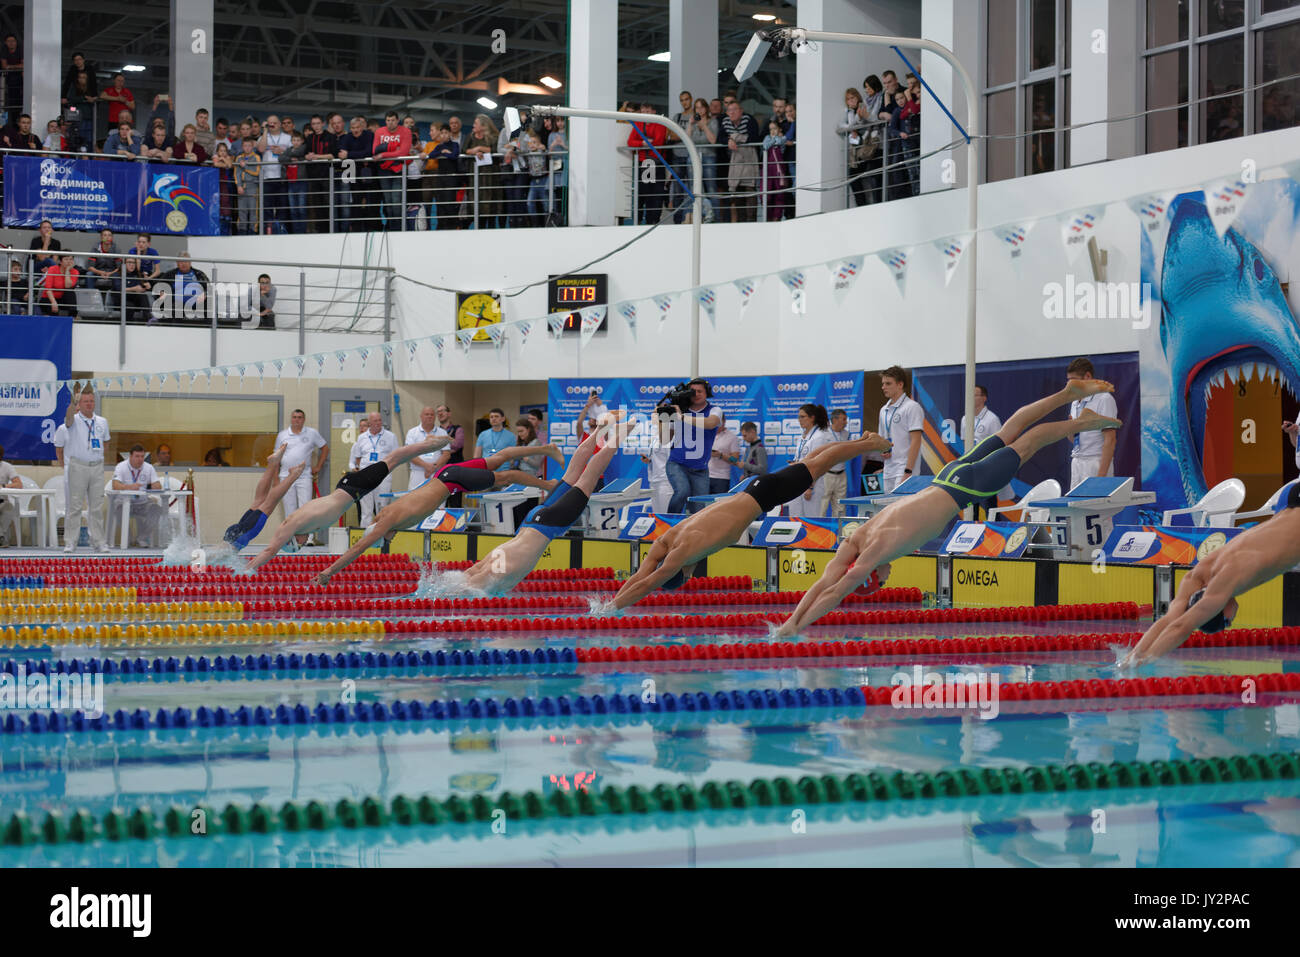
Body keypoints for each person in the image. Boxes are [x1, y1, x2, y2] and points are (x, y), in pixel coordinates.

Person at [772, 379, 1121, 637]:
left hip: (962, 487)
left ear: (871, 576)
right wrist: (792, 619)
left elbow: (835, 590)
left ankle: (1080, 421)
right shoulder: (857, 538)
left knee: (1028, 442)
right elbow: (824, 580)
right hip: (948, 474)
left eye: (880, 581)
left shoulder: (874, 553)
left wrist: (793, 630)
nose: (887, 578)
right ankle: (1067, 394)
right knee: (1012, 428)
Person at [612, 430, 895, 610]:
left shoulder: (685, 554)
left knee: (817, 464)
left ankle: (869, 443)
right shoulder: (667, 541)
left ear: (683, 572)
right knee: (810, 461)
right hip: (754, 491)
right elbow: (641, 575)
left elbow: (647, 583)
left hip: (764, 496)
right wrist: (612, 602)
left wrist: (612, 610)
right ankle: (861, 441)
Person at [312, 442, 563, 585]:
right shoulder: (389, 518)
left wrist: (327, 573)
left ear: (381, 532)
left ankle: (548, 485)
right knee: (498, 459)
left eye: (384, 539)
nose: (388, 540)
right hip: (445, 476)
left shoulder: (387, 522)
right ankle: (547, 448)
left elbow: (357, 549)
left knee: (505, 475)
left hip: (451, 482)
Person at [452, 418, 638, 594]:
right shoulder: (492, 562)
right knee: (572, 473)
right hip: (531, 522)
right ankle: (601, 428)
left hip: (547, 526)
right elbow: (468, 576)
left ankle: (621, 433)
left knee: (588, 477)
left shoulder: (491, 570)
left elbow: (469, 584)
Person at [1123, 481, 1300, 665]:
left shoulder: (1229, 580)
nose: (1231, 621)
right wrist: (1133, 656)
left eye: (1227, 623)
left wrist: (1143, 662)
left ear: (1219, 609)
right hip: (1289, 499)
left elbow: (1180, 627)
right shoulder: (1199, 574)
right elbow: (1169, 618)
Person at [246, 432, 455, 570]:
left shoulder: (293, 524)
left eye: (298, 546)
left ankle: (432, 442)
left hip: (352, 488)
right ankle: (429, 443)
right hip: (349, 488)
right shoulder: (302, 524)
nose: (303, 545)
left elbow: (269, 550)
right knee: (395, 459)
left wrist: (247, 571)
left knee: (396, 457)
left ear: (293, 540)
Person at [56, 385, 109, 552]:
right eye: (85, 401)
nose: (89, 404)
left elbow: (105, 442)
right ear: (80, 403)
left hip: (96, 467)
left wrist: (97, 456)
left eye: (92, 401)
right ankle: (70, 541)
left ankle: (99, 542)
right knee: (75, 506)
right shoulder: (72, 421)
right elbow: (68, 416)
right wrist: (74, 401)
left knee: (96, 507)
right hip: (78, 466)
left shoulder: (102, 422)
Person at [222, 445, 305, 550]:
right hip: (234, 534)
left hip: (240, 536)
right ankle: (272, 464)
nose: (305, 542)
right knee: (259, 501)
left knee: (268, 503)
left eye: (303, 544)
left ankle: (293, 474)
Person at [666, 379, 722, 514]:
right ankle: (668, 524)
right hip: (677, 463)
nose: (696, 394)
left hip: (700, 469)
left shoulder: (714, 410)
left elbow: (710, 423)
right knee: (682, 492)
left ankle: (693, 534)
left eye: (700, 391)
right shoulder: (679, 410)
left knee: (699, 510)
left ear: (707, 392)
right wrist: (664, 417)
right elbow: (665, 438)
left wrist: (682, 417)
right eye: (693, 391)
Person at [274, 409, 329, 546]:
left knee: (306, 508)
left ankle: (308, 538)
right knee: (289, 508)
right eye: (294, 417)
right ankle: (290, 537)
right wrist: (275, 479)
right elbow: (276, 457)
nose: (297, 419)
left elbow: (325, 448)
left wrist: (318, 466)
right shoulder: (282, 435)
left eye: (300, 417)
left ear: (303, 419)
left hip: (304, 476)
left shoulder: (312, 433)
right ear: (291, 419)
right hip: (285, 476)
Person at [1066, 357, 1118, 488]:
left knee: (1097, 506)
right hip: (1077, 461)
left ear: (1087, 376)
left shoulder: (1104, 399)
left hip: (1096, 462)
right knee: (1076, 507)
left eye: (1074, 381)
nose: (1070, 385)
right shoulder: (1074, 402)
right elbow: (1076, 439)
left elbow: (1110, 439)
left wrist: (1101, 477)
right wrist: (1069, 429)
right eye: (1069, 381)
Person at [349, 412, 399, 527]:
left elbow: (396, 457)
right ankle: (365, 538)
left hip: (383, 477)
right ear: (369, 423)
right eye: (375, 421)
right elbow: (358, 458)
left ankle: (382, 536)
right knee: (366, 511)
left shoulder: (391, 436)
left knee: (382, 509)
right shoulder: (362, 438)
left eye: (380, 420)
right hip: (366, 478)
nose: (378, 423)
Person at [878, 365, 923, 492]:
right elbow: (881, 440)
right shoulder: (883, 410)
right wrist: (882, 450)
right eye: (883, 384)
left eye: (888, 383)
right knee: (889, 508)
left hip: (905, 468)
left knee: (904, 508)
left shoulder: (912, 407)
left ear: (900, 384)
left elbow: (916, 440)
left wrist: (908, 470)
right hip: (888, 469)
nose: (883, 387)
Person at [111, 443, 165, 548]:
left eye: (142, 456)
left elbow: (158, 485)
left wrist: (150, 486)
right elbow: (115, 485)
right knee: (119, 509)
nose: (140, 459)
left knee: (156, 509)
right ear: (130, 456)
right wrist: (129, 487)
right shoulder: (121, 466)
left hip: (143, 503)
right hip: (124, 502)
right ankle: (129, 539)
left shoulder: (149, 467)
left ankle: (142, 538)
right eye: (137, 456)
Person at [787, 404, 831, 519]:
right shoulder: (803, 436)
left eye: (803, 417)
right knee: (796, 518)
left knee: (811, 520)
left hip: (811, 485)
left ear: (812, 418)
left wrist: (810, 487)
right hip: (798, 482)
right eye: (799, 417)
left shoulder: (819, 437)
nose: (799, 420)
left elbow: (818, 464)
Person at [405, 406, 449, 492]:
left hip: (436, 472)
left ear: (435, 417)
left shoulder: (442, 433)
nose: (429, 416)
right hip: (418, 473)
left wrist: (434, 467)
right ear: (421, 416)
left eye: (432, 415)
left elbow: (446, 454)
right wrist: (426, 466)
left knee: (436, 500)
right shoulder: (412, 433)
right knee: (415, 501)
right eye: (427, 414)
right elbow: (409, 454)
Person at [641, 412, 674, 514]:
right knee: (657, 515)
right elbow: (660, 457)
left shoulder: (669, 437)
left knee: (665, 514)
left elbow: (671, 458)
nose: (652, 415)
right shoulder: (655, 438)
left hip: (665, 481)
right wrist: (649, 461)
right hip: (654, 480)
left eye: (655, 413)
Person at [825, 409, 851, 519]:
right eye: (843, 419)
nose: (846, 422)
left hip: (841, 474)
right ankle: (817, 533)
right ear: (835, 420)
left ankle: (838, 534)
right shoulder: (824, 433)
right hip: (826, 475)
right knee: (822, 506)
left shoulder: (847, 434)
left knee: (840, 508)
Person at [0, 443, 24, 546]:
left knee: (9, 508)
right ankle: (1, 537)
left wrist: (3, 486)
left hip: (2, 501)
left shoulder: (7, 466)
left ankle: (1, 537)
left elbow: (19, 484)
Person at [708, 425, 741, 495]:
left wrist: (720, 455)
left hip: (721, 477)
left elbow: (735, 460)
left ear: (723, 422)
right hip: (704, 476)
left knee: (718, 503)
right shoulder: (707, 434)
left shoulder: (732, 437)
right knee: (702, 503)